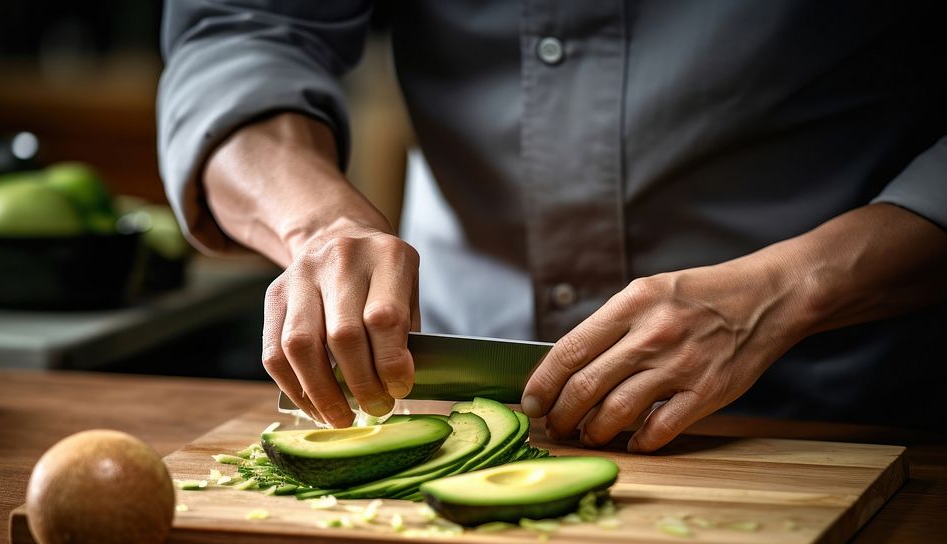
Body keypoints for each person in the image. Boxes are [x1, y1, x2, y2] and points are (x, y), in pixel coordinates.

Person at [158, 1, 947, 452]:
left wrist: (790, 289)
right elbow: (240, 28)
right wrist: (317, 225)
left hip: (848, 412)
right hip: (452, 397)